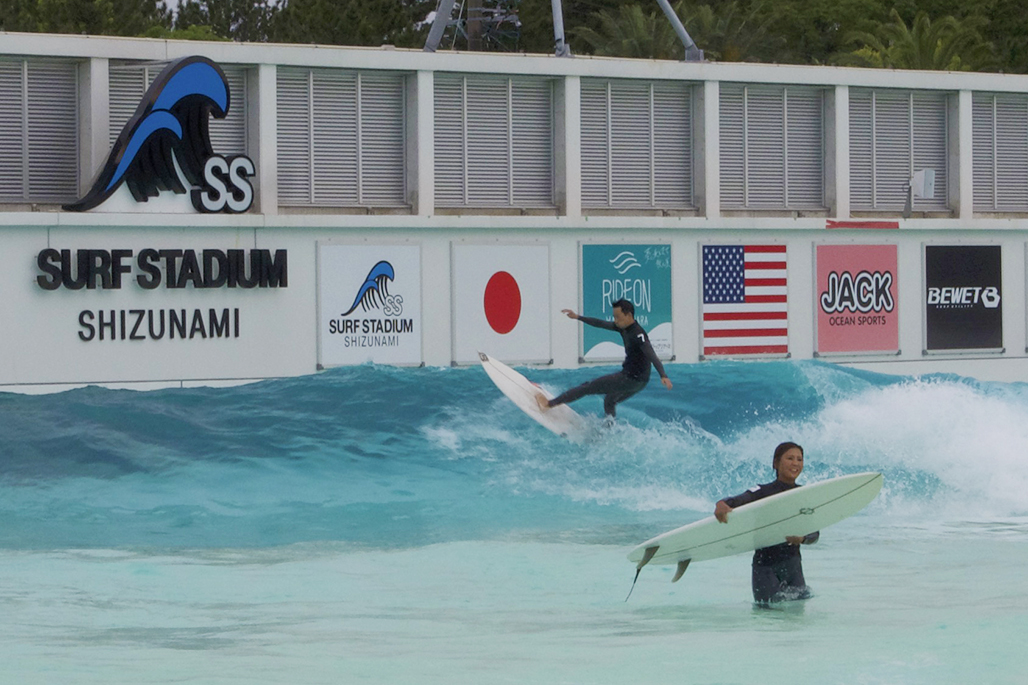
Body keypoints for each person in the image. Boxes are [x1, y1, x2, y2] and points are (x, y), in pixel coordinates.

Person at [714, 442, 819, 605]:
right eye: (790, 458)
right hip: (765, 568)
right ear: (776, 463)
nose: (795, 463)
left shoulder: (804, 495)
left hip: (794, 567)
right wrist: (721, 503)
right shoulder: (762, 491)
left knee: (797, 622)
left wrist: (803, 538)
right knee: (767, 620)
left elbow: (815, 533)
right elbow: (737, 500)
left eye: (799, 459)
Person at [535, 299, 672, 419]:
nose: (615, 321)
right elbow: (600, 323)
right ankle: (608, 430)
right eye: (614, 317)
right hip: (640, 381)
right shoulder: (623, 328)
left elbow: (651, 354)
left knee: (587, 387)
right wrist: (578, 317)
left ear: (629, 315)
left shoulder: (638, 334)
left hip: (631, 378)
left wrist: (663, 375)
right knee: (610, 400)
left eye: (618, 317)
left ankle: (549, 404)